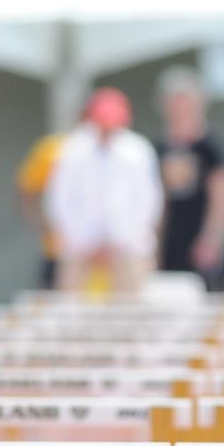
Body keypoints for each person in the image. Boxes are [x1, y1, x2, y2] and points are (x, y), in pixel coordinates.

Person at [41, 88, 162, 296]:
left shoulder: (138, 151)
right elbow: (60, 201)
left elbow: (147, 203)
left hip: (127, 243)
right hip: (80, 243)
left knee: (131, 297)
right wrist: (86, 239)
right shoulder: (72, 150)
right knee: (70, 297)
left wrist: (119, 239)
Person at [154, 67, 224, 281]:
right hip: (169, 240)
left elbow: (223, 195)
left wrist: (212, 237)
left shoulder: (210, 146)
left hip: (200, 240)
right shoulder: (160, 146)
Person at [14, 129, 67, 288]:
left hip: (114, 252)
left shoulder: (129, 151)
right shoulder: (56, 150)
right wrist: (42, 224)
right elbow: (26, 189)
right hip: (59, 250)